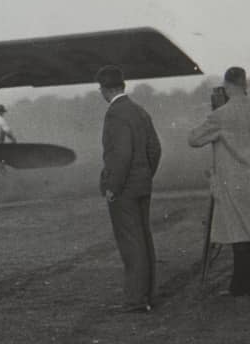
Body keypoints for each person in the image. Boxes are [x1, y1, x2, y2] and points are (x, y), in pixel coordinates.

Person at [188, 67, 250, 296]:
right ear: (245, 84)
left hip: (235, 181)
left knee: (239, 232)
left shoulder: (221, 115)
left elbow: (194, 139)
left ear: (227, 86)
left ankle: (241, 285)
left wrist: (214, 117)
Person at [95, 65, 162, 313]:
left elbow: (121, 154)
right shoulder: (139, 111)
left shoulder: (115, 114)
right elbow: (155, 149)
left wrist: (113, 186)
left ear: (104, 89)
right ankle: (148, 295)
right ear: (122, 86)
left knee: (130, 244)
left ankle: (135, 299)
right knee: (144, 239)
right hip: (142, 185)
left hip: (124, 188)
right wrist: (145, 174)